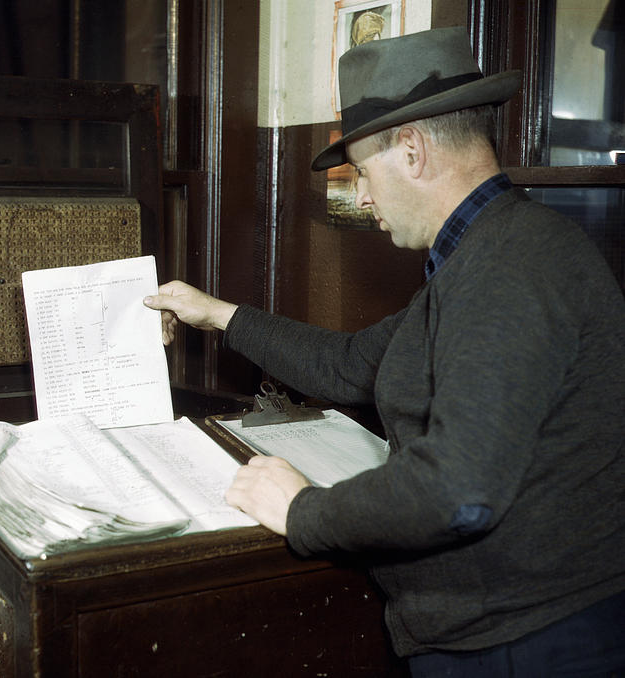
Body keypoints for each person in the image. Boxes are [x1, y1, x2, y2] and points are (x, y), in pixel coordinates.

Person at [144, 27, 625, 677]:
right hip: (504, 630)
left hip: (527, 642)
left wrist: (302, 510)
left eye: (364, 172)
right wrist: (217, 314)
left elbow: (458, 491)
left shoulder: (512, 268)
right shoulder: (485, 254)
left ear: (413, 150)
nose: (363, 195)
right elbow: (349, 365)